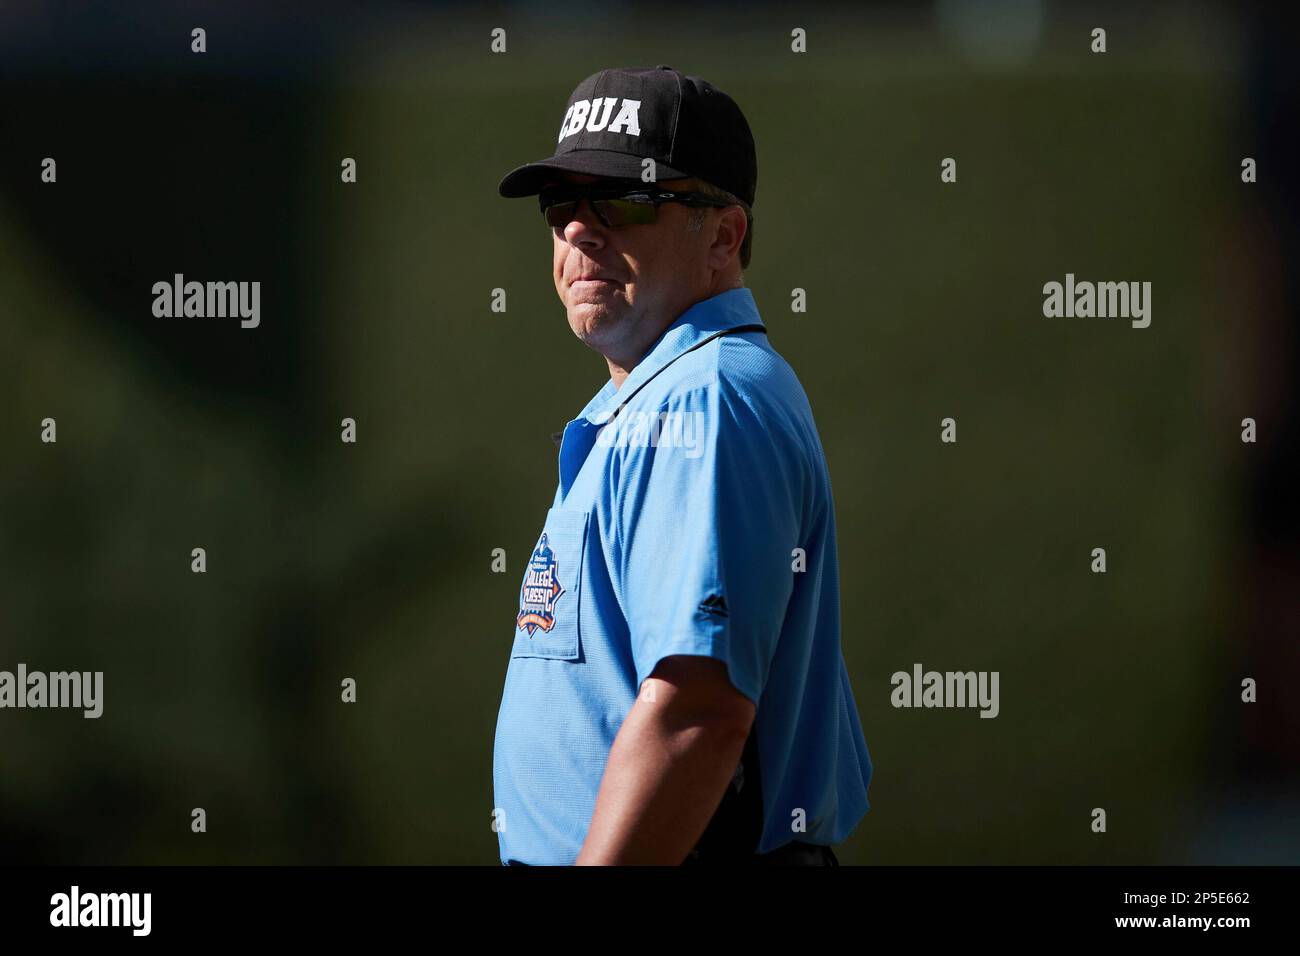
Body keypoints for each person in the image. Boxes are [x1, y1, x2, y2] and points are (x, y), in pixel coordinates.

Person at [492, 65, 872, 865]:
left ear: (725, 235)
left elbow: (696, 714)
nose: (581, 230)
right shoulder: (660, 399)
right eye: (562, 203)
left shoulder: (703, 401)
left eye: (625, 199)